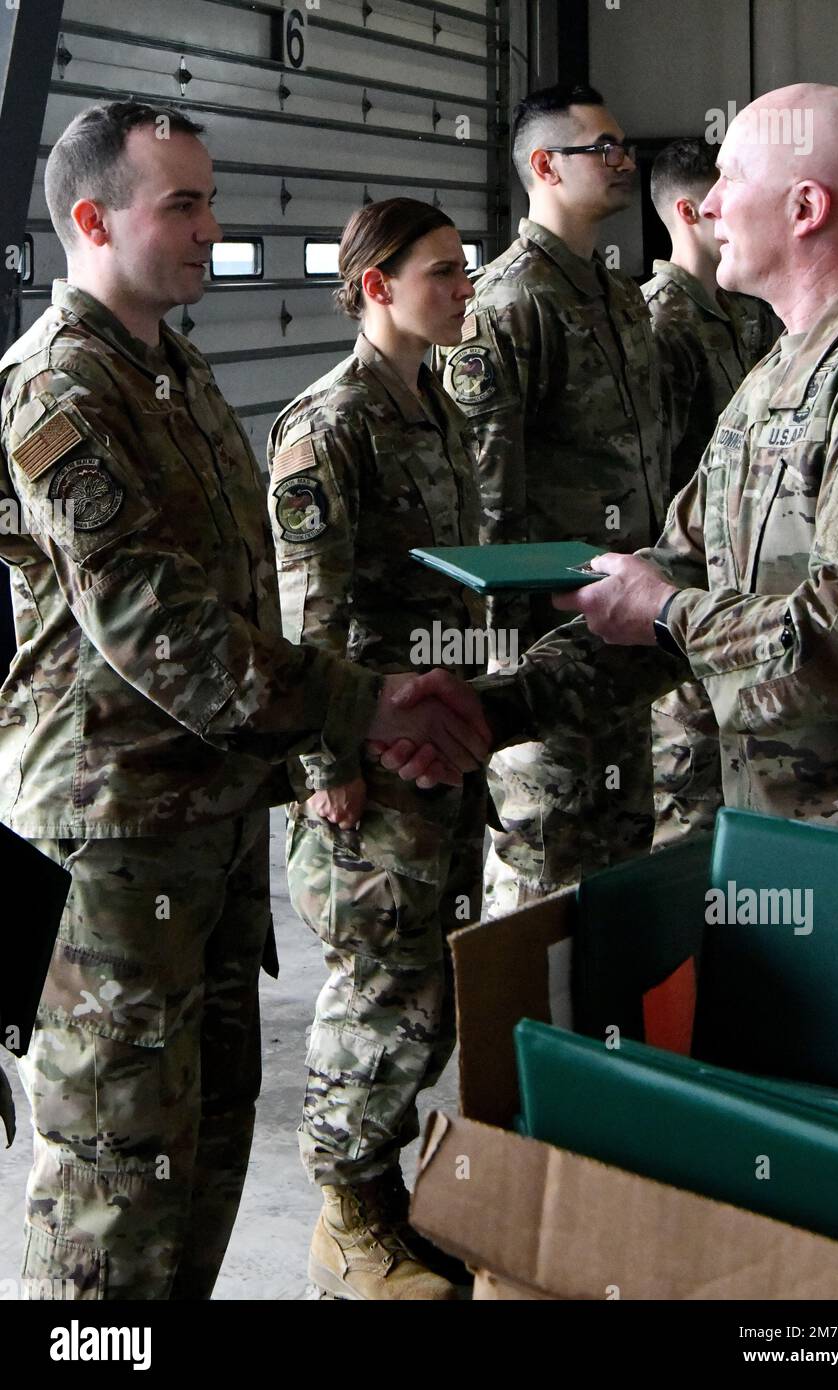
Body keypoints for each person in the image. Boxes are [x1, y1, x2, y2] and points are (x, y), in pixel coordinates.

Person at [0, 102, 488, 1300]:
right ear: (90, 217)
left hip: (209, 823)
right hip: (110, 845)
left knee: (207, 1149)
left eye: (213, 199)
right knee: (114, 1180)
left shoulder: (173, 374)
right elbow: (156, 624)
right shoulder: (56, 392)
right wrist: (361, 709)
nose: (213, 228)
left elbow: (248, 598)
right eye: (185, 204)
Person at [445, 84, 838, 845]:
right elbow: (679, 568)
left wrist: (668, 613)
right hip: (780, 830)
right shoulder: (778, 375)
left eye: (730, 180)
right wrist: (491, 707)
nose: (708, 207)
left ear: (805, 210)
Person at [268, 198, 485, 1300]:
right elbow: (307, 618)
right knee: (377, 995)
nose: (463, 289)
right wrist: (326, 767)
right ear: (375, 288)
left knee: (424, 996)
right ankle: (346, 1219)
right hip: (369, 763)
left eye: (465, 269)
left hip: (434, 752)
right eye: (443, 272)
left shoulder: (433, 405)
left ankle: (382, 1203)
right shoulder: (330, 424)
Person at [439, 82, 668, 917]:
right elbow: (487, 494)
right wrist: (507, 657)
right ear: (544, 166)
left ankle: (601, 1043)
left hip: (622, 628)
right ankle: (525, 1045)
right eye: (601, 148)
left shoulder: (616, 297)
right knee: (544, 874)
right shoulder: (507, 303)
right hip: (545, 637)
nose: (623, 161)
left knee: (620, 862)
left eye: (623, 146)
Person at [642, 138, 781, 849]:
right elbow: (659, 467)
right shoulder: (660, 322)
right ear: (693, 211)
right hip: (691, 577)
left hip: (737, 587)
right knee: (688, 796)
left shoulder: (735, 309)